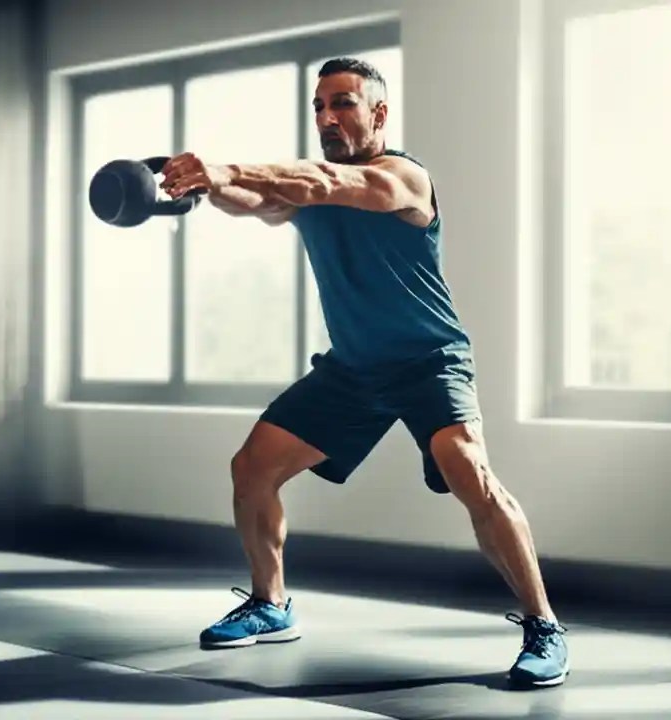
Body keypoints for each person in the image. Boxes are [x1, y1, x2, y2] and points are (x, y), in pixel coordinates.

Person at [158, 57, 569, 689]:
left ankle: (544, 626)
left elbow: (327, 183)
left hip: (429, 360)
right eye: (319, 106)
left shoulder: (401, 178)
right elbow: (257, 201)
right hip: (354, 366)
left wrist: (227, 168)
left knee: (472, 476)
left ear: (378, 113)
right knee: (252, 469)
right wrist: (205, 185)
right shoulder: (307, 186)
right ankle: (271, 605)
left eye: (342, 104)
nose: (327, 117)